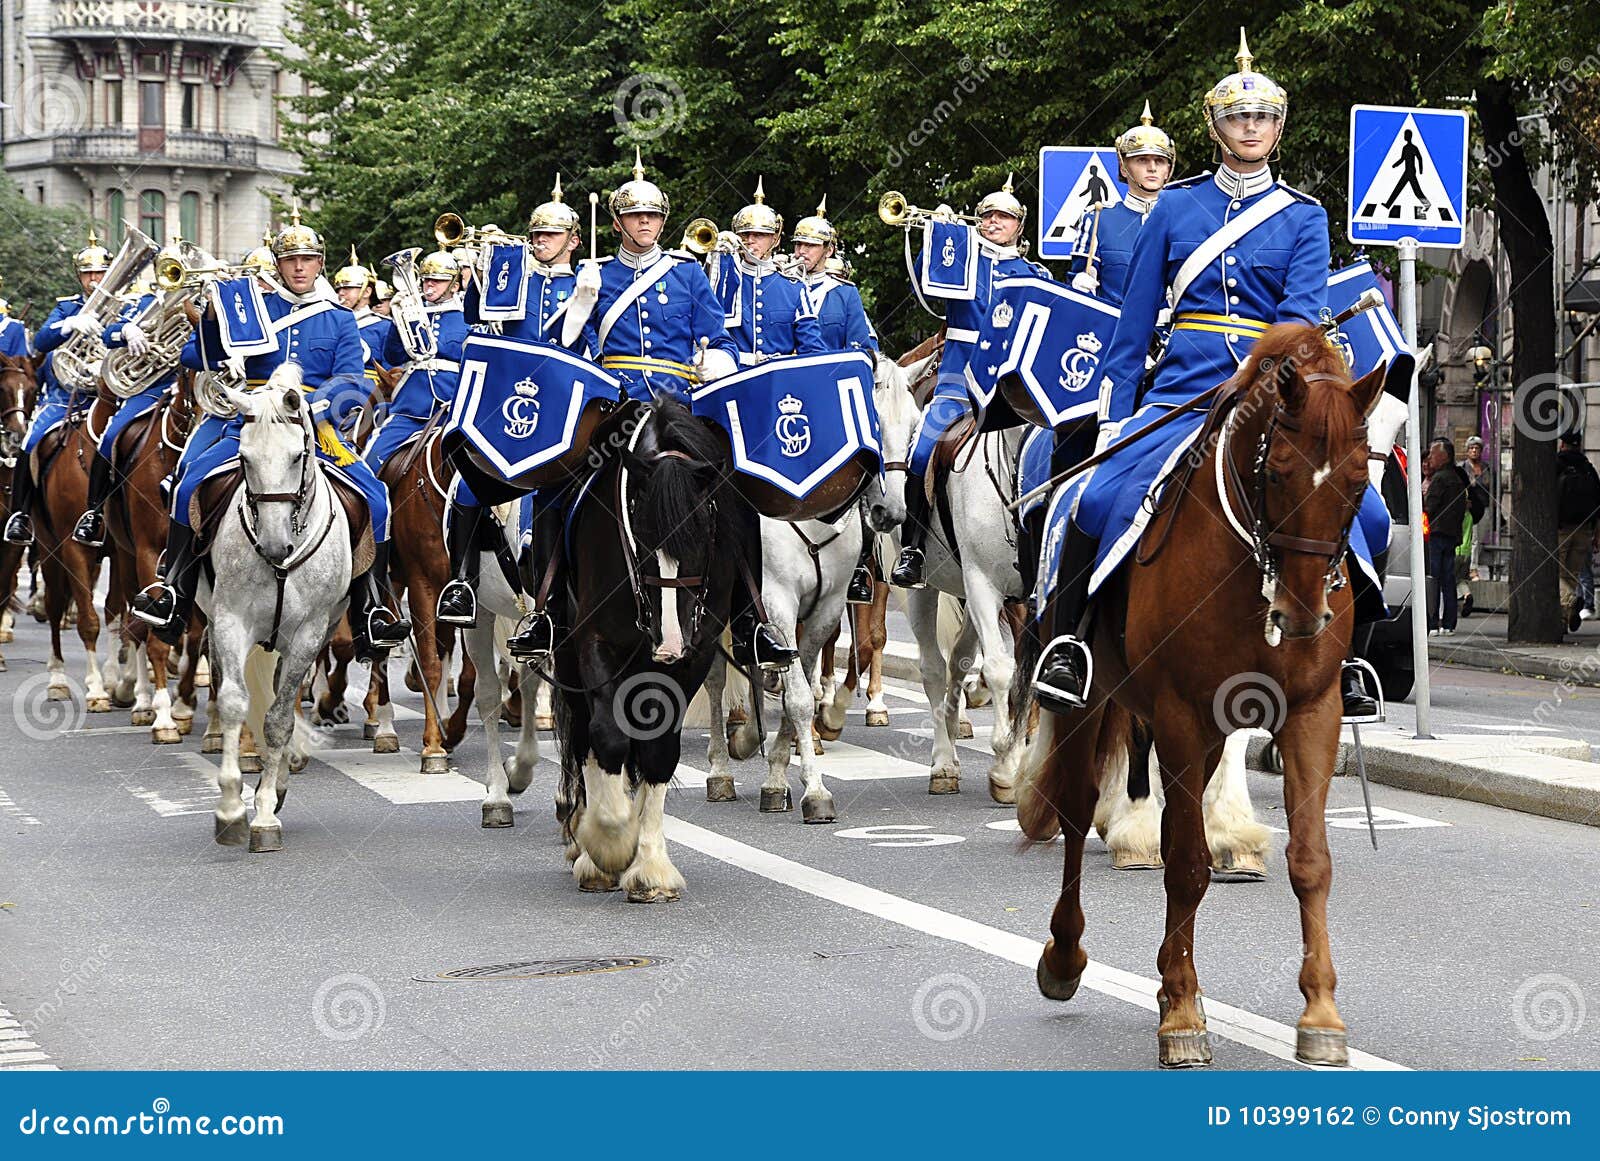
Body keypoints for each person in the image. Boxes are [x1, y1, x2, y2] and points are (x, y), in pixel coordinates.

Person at [1033, 30, 1368, 713]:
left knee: (1372, 517)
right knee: (1094, 502)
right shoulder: (1176, 208)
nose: (1252, 127)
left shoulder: (1304, 216)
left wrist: (1258, 383)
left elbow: (1301, 320)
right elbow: (1131, 325)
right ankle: (1069, 647)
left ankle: (1356, 660)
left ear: (1278, 128)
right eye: (1239, 117)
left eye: (1265, 117)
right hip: (1180, 395)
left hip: (1272, 401)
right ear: (1216, 127)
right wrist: (1117, 412)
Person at [131, 206, 412, 661]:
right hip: (249, 420)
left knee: (376, 497)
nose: (299, 268)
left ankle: (370, 608)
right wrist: (210, 316)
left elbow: (352, 380)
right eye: (290, 260)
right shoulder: (251, 308)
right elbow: (201, 357)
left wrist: (311, 408)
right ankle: (175, 592)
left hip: (315, 428)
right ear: (278, 265)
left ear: (320, 263)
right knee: (186, 484)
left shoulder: (339, 318)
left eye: (308, 260)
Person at [557, 148, 795, 670]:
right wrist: (578, 306)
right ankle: (550, 607)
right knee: (564, 483)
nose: (646, 223)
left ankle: (752, 619)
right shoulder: (594, 273)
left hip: (680, 405)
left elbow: (718, 333)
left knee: (737, 491)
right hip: (618, 404)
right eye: (636, 215)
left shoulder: (686, 274)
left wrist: (721, 360)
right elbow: (564, 350)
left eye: (655, 215)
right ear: (618, 222)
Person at [438, 176, 583, 631]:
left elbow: (592, 346)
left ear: (573, 241)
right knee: (468, 485)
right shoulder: (513, 278)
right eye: (536, 234)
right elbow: (475, 315)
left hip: (562, 410)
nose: (540, 241)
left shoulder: (583, 287)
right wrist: (488, 266)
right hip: (513, 408)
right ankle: (459, 582)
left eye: (551, 235)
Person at [891, 173, 1046, 588]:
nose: (994, 222)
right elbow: (923, 288)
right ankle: (914, 548)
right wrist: (938, 239)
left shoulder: (1036, 274)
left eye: (1004, 216)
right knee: (922, 450)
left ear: (1019, 225)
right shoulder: (962, 260)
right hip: (959, 382)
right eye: (987, 216)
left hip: (1015, 388)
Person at [793, 196, 881, 604]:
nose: (801, 253)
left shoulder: (844, 295)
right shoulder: (782, 286)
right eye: (797, 244)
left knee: (866, 462)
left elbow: (865, 349)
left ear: (828, 251)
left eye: (810, 246)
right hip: (789, 396)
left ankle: (862, 560)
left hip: (830, 397)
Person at [4, 231, 111, 545]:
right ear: (79, 276)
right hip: (67, 398)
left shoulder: (125, 307)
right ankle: (21, 515)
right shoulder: (67, 308)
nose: (94, 278)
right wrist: (71, 324)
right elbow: (41, 341)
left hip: (110, 397)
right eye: (88, 273)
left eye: (99, 272)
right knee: (30, 441)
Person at [71, 280, 183, 547]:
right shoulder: (143, 304)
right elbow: (108, 335)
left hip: (190, 389)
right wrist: (127, 331)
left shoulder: (200, 303)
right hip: (150, 389)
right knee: (110, 436)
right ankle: (94, 512)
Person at [365, 249, 468, 474]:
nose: (430, 285)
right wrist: (396, 319)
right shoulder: (409, 312)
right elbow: (393, 357)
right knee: (371, 460)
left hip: (452, 408)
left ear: (455, 285)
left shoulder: (467, 317)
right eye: (426, 280)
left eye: (438, 281)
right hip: (410, 406)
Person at [706, 178, 824, 365]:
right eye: (744, 234)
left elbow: (811, 347)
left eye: (759, 235)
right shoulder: (724, 280)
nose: (750, 240)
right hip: (733, 378)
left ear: (775, 239)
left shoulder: (794, 287)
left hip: (781, 383)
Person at [1069, 100, 1175, 306]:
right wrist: (1078, 284)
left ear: (1168, 170)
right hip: (1114, 331)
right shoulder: (1098, 218)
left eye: (1159, 161)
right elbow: (1077, 277)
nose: (1152, 167)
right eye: (1142, 160)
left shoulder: (1184, 221)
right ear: (1124, 167)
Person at [1556, 430, 1600, 632]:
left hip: (1562, 528)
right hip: (1585, 529)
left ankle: (1572, 602)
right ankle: (1564, 621)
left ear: (1562, 445)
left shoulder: (1556, 465)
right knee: (1572, 575)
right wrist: (1597, 533)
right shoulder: (1589, 469)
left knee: (1555, 573)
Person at [1423, 437, 1466, 636]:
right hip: (1451, 535)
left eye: (1433, 453)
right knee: (1448, 580)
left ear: (1444, 456)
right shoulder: (1457, 479)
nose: (1430, 457)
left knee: (1433, 578)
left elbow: (1428, 507)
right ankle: (1449, 623)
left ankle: (1431, 622)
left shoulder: (1440, 479)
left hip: (1436, 534)